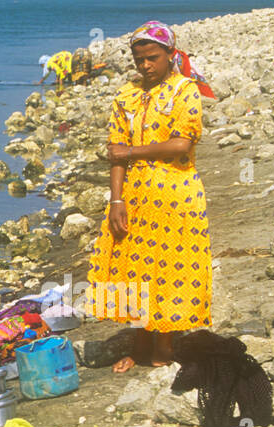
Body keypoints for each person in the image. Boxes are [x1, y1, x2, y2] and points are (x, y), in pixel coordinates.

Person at [87, 20, 212, 371]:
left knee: (169, 269)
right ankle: (140, 342)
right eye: (139, 59)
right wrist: (116, 200)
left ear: (171, 55)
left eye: (153, 58)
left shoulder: (185, 90)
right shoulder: (126, 96)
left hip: (175, 194)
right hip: (134, 195)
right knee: (134, 269)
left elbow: (181, 144)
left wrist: (130, 153)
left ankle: (165, 346)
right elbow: (115, 153)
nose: (145, 66)